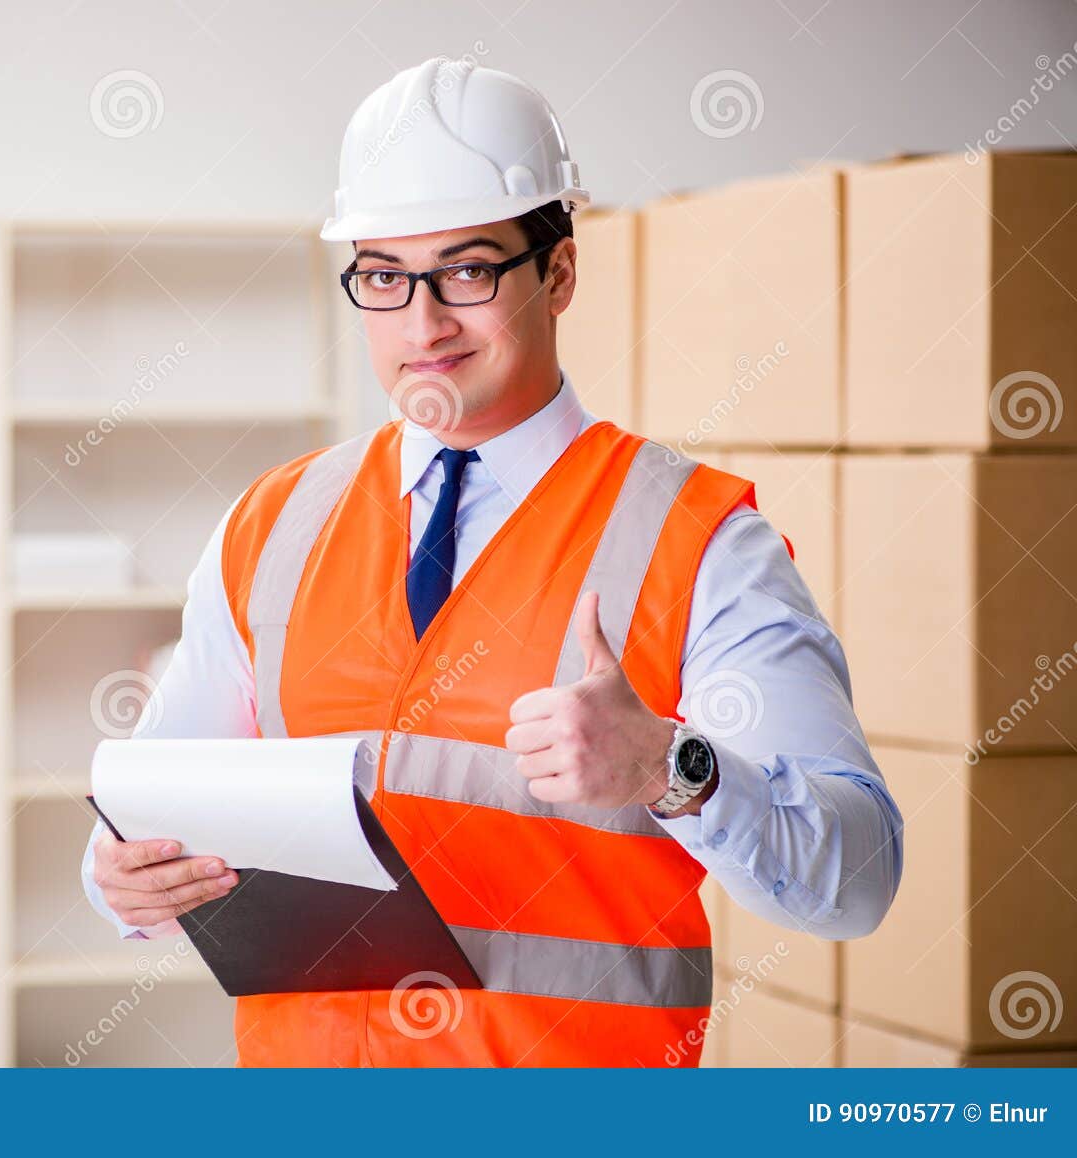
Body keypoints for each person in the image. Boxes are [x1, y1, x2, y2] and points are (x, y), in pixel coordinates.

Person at [80, 55, 902, 1067]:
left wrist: (668, 767)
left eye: (466, 272)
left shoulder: (697, 539)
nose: (422, 326)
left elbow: (857, 882)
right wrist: (122, 881)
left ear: (556, 273)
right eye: (384, 276)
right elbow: (152, 819)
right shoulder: (271, 525)